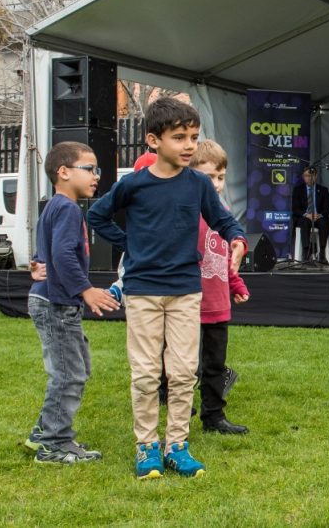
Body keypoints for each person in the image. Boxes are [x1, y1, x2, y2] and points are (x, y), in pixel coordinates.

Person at [88, 98, 247, 480]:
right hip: (142, 291)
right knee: (145, 373)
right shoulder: (133, 184)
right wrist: (131, 244)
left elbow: (224, 221)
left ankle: (177, 446)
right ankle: (147, 447)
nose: (190, 145)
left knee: (182, 373)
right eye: (180, 137)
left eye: (193, 136)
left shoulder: (197, 184)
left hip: (185, 291)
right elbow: (96, 215)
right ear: (153, 140)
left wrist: (238, 239)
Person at [24, 141, 120, 464]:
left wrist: (39, 265)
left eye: (98, 170)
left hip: (55, 301)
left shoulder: (55, 207)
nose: (96, 177)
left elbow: (47, 255)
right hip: (57, 304)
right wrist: (86, 290)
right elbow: (62, 254)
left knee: (77, 367)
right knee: (68, 374)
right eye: (89, 169)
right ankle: (54, 444)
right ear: (63, 172)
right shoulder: (65, 208)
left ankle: (43, 431)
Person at [188, 139, 251, 434]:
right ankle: (179, 408)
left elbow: (226, 256)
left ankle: (213, 417)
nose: (215, 184)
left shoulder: (222, 212)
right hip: (187, 304)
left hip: (217, 304)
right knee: (187, 367)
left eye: (221, 177)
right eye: (208, 176)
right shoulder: (187, 212)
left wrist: (236, 283)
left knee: (216, 364)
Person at [291, 165, 329, 262]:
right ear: (303, 177)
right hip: (305, 217)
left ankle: (322, 252)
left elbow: (327, 209)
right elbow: (295, 209)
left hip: (318, 217)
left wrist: (319, 215)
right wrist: (307, 215)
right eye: (306, 176)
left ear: (315, 176)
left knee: (324, 223)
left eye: (311, 175)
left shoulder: (323, 190)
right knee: (304, 222)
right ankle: (306, 252)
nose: (308, 178)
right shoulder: (297, 190)